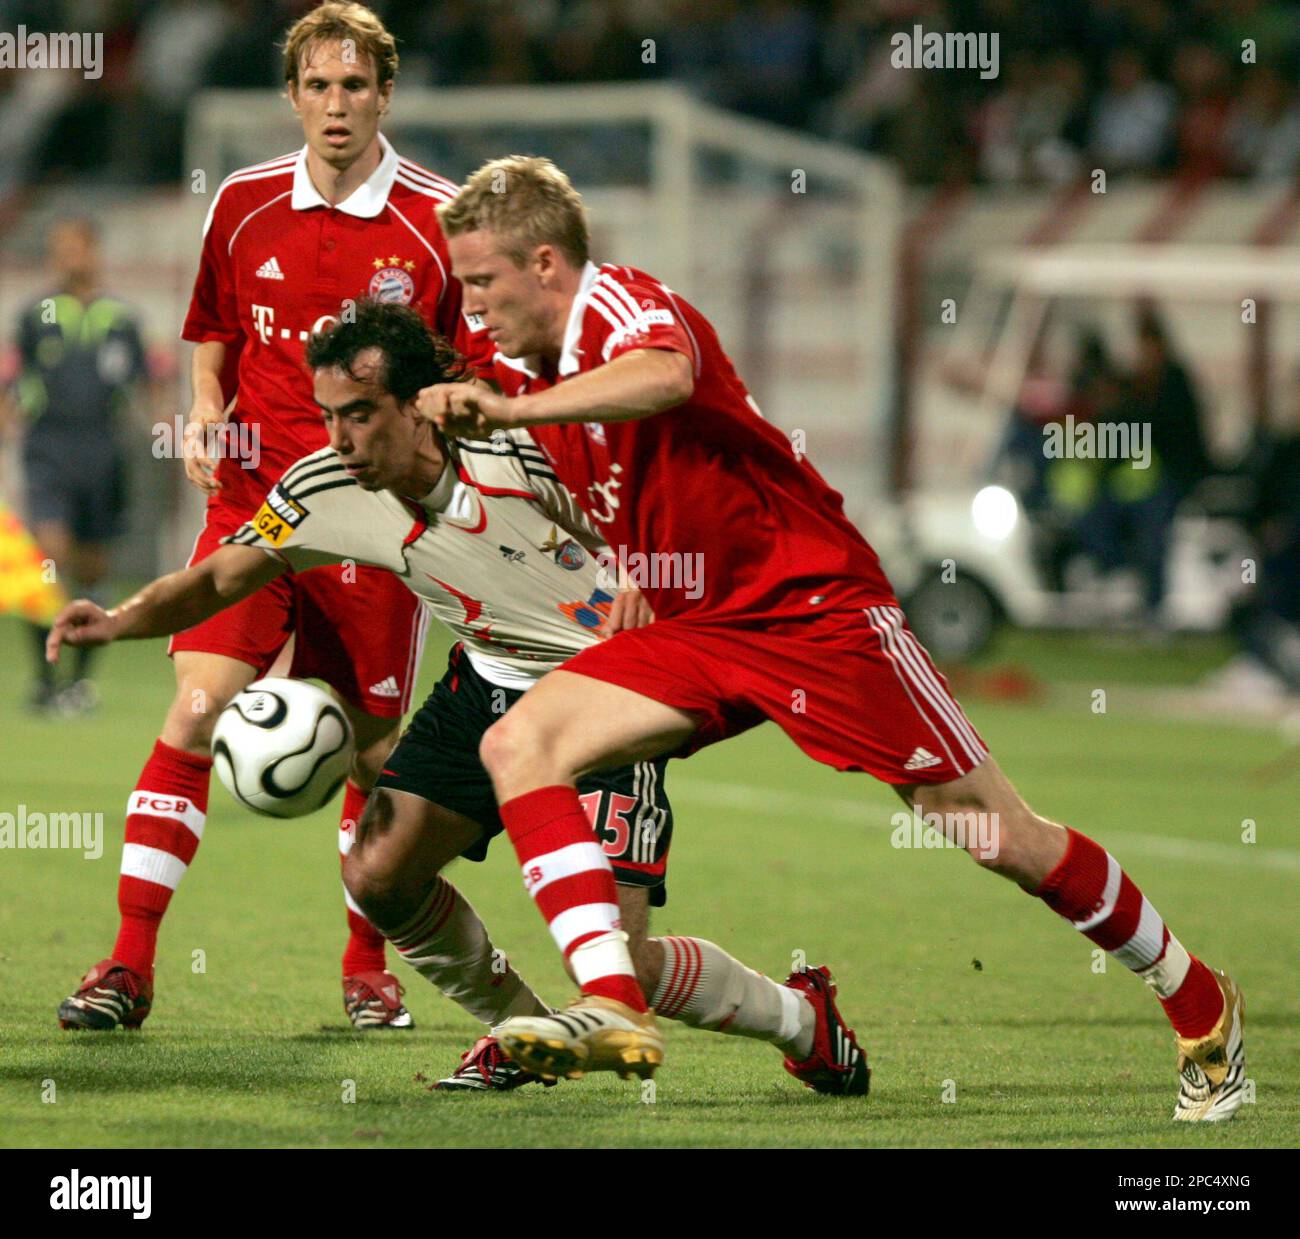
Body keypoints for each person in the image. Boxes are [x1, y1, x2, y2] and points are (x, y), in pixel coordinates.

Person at [418, 155, 1245, 1121]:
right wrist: (639, 563)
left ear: (548, 263)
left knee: (999, 838)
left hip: (814, 611)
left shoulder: (626, 307)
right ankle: (615, 1002)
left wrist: (514, 412)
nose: (472, 306)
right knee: (519, 742)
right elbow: (636, 481)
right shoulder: (523, 364)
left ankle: (1199, 999)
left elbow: (665, 377)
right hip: (702, 626)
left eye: (483, 282)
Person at [48, 300, 870, 1096]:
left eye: (361, 413)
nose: (340, 436)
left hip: (605, 690)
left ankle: (804, 1020)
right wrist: (118, 620)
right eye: (328, 413)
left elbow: (653, 509)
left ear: (417, 406)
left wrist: (645, 572)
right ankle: (519, 1030)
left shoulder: (515, 450)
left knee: (626, 963)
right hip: (484, 683)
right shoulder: (323, 486)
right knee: (377, 870)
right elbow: (222, 576)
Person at [57, 2, 488, 1035]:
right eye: (317, 87)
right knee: (195, 709)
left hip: (378, 529)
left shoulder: (437, 219)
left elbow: (465, 374)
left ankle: (364, 968)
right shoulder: (243, 205)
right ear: (291, 96)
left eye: (355, 86)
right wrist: (207, 419)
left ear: (384, 92)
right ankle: (127, 965)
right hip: (257, 514)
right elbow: (211, 336)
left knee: (376, 755)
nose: (336, 106)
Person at [11, 217, 149, 715]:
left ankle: (77, 685)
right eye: (58, 250)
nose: (67, 258)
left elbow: (144, 387)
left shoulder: (122, 317)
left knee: (93, 569)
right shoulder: (35, 314)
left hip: (104, 450)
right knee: (49, 556)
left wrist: (169, 440)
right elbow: (16, 381)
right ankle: (46, 680)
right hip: (49, 446)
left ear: (94, 252)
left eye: (75, 248)